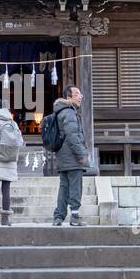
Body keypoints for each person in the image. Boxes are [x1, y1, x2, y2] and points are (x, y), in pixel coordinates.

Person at [51, 85, 89, 226]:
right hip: (72, 156)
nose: (80, 97)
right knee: (75, 187)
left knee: (64, 187)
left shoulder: (60, 112)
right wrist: (81, 154)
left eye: (80, 94)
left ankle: (59, 217)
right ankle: (74, 217)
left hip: (62, 155)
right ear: (68, 97)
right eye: (77, 94)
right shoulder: (69, 113)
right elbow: (72, 136)